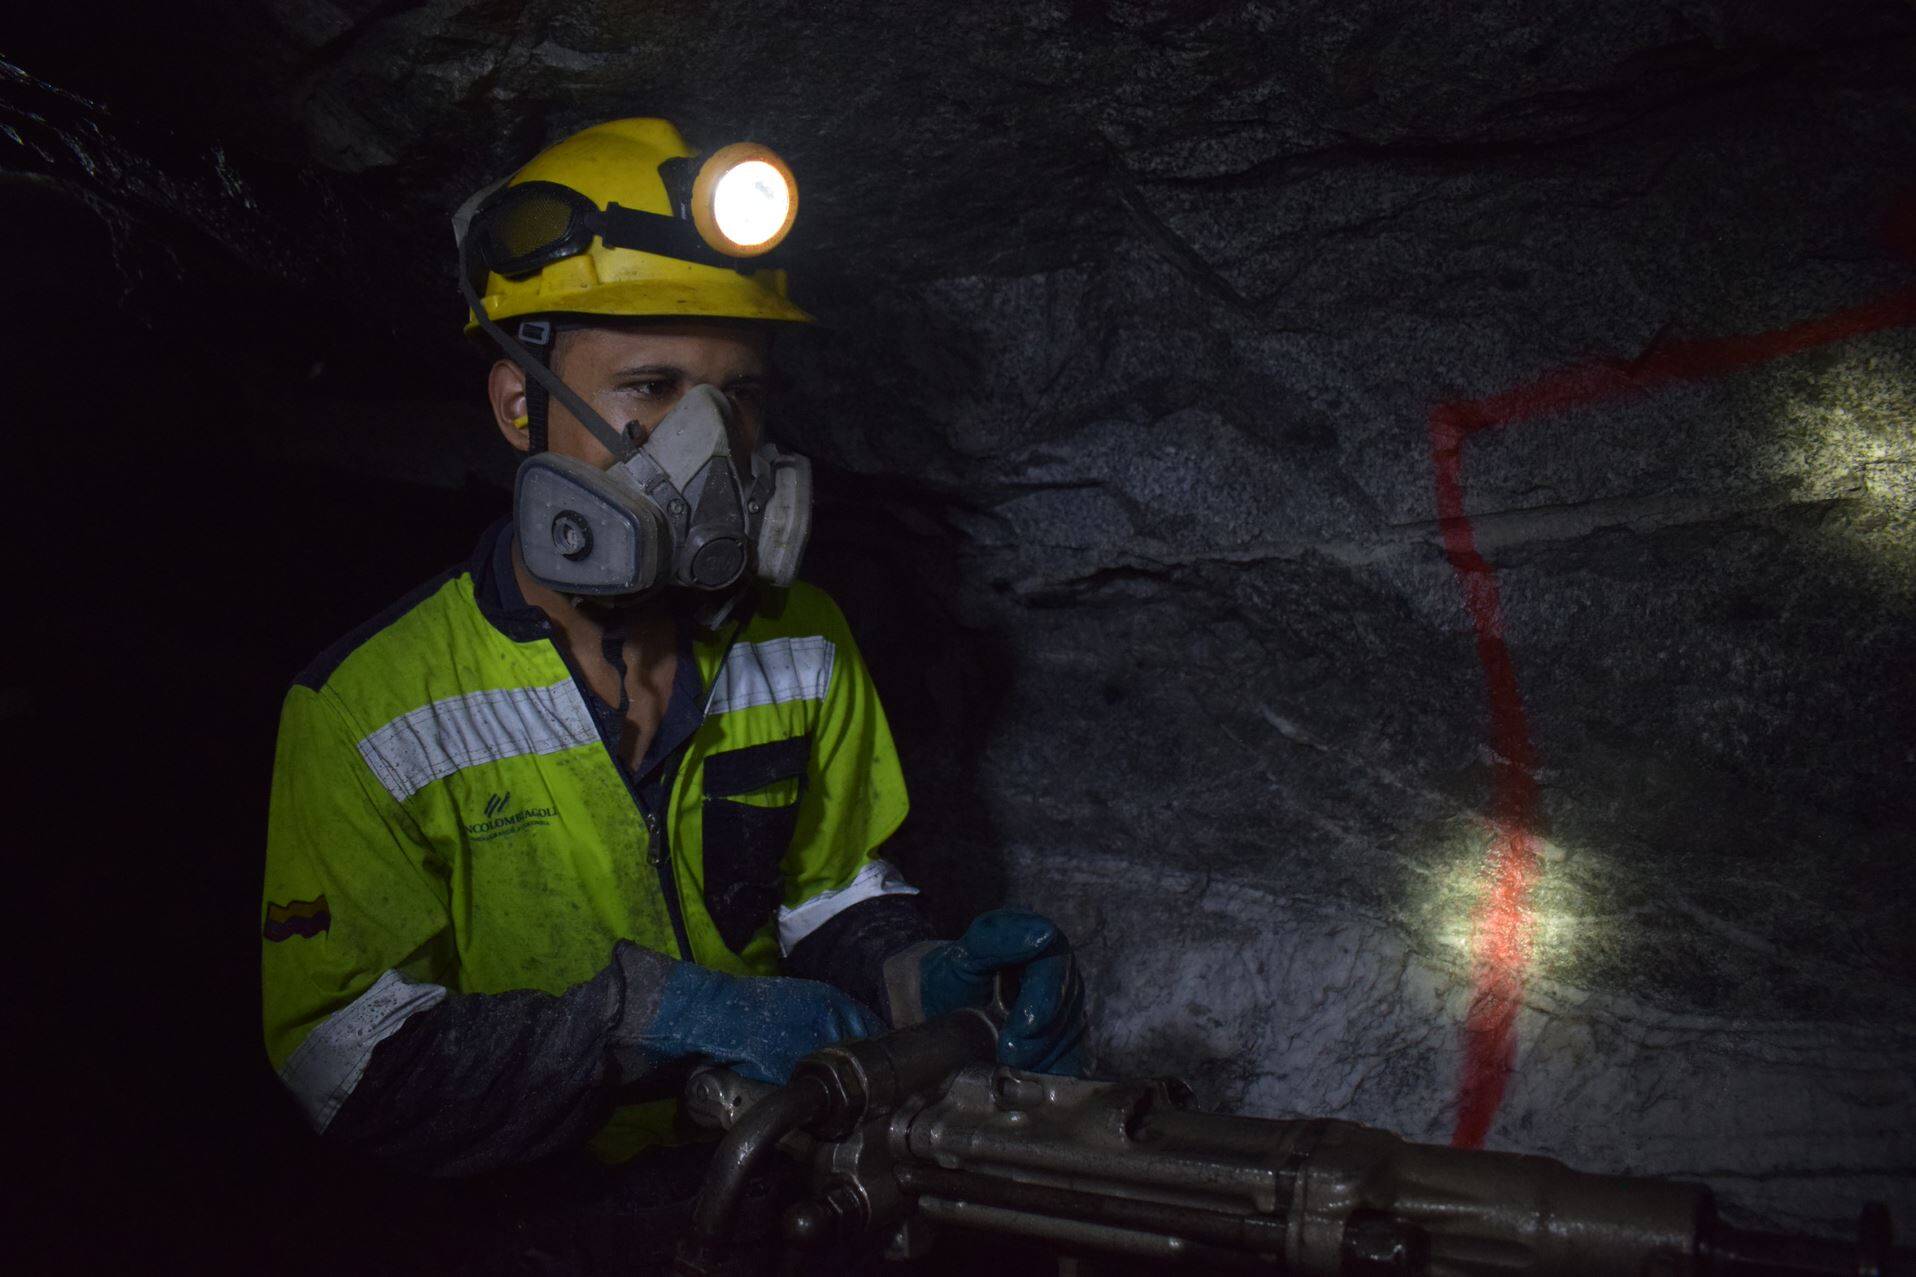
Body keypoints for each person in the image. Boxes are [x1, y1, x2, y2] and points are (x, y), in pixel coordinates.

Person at [258, 117, 1087, 1267]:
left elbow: (825, 892)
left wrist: (922, 978)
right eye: (650, 387)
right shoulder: (371, 707)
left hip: (777, 1184)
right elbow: (348, 1068)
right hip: (519, 1226)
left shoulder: (802, 640)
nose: (712, 445)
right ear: (518, 404)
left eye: (736, 396)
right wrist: (651, 1017)